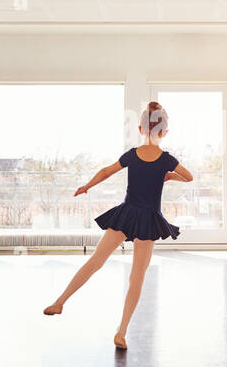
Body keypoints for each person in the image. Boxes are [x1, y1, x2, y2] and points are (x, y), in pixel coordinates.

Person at [43, 101, 193, 350]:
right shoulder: (167, 159)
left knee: (95, 261)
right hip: (148, 218)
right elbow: (189, 177)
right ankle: (121, 332)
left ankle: (60, 302)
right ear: (164, 132)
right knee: (137, 277)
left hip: (126, 213)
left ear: (140, 128)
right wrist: (170, 175)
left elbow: (106, 171)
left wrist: (87, 186)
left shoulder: (132, 154)